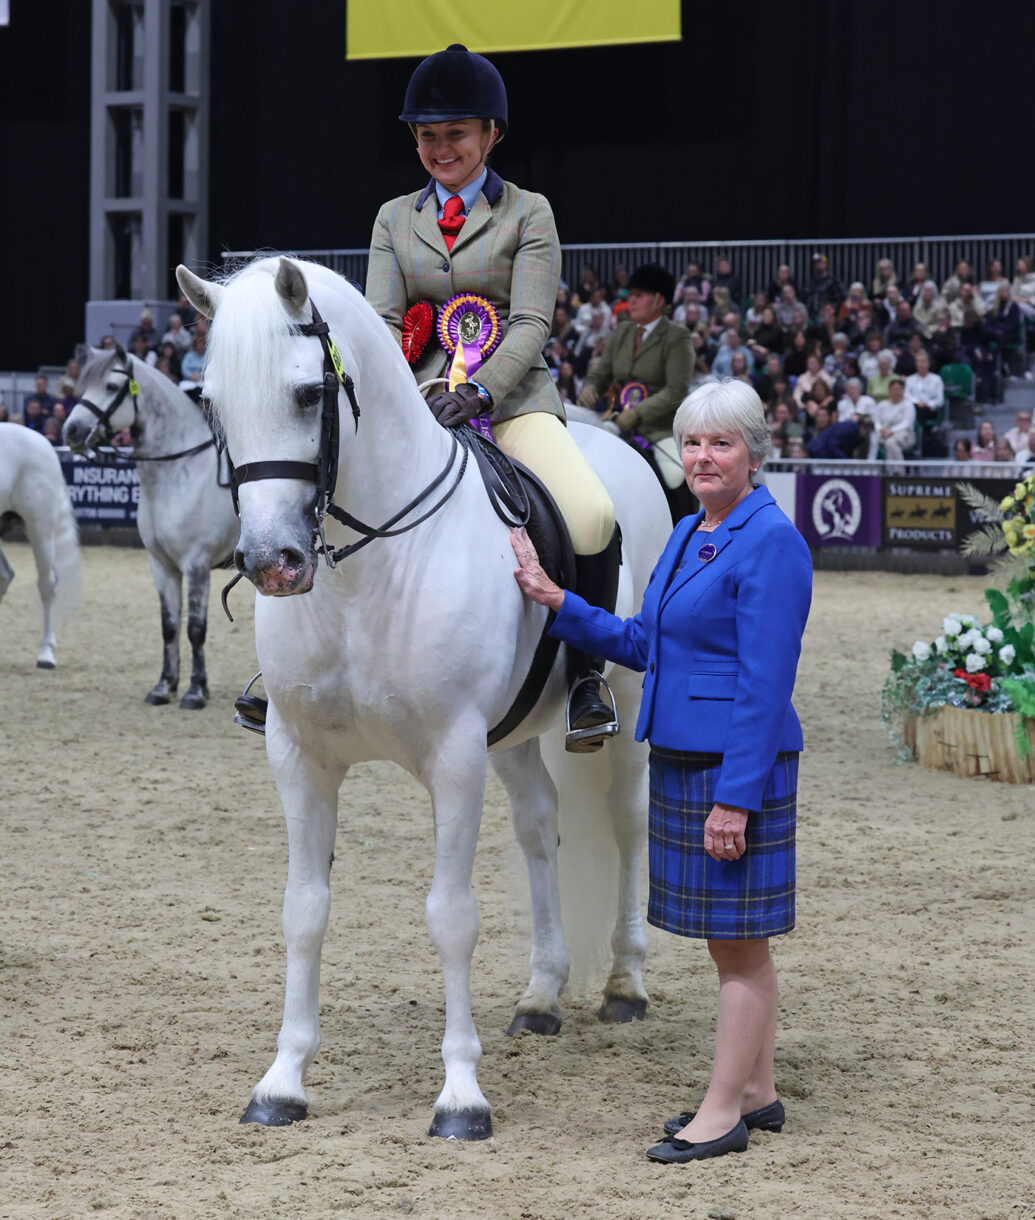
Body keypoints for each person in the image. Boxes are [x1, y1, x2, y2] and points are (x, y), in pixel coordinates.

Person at [510, 379, 812, 1164]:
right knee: (731, 943)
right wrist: (555, 599)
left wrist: (735, 802)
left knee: (738, 947)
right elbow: (645, 643)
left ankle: (720, 1113)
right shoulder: (687, 535)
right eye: (693, 443)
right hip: (682, 757)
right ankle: (757, 1089)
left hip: (731, 769)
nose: (704, 457)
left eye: (722, 443)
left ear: (754, 452)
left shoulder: (771, 541)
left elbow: (764, 683)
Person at [366, 43, 622, 750]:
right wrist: (405, 394)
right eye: (427, 136)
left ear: (490, 135)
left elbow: (533, 321)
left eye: (454, 134)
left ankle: (584, 677)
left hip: (509, 399)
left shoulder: (528, 213)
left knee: (591, 512)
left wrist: (477, 391)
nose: (439, 148)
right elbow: (384, 322)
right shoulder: (392, 219)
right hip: (416, 401)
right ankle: (302, 668)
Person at [577, 263, 695, 522]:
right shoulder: (622, 331)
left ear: (659, 300)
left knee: (676, 475)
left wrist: (638, 413)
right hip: (616, 423)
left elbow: (675, 391)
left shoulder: (677, 337)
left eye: (638, 295)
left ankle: (684, 531)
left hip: (658, 430)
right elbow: (602, 374)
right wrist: (590, 387)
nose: (630, 300)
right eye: (630, 295)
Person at [873, 378, 916, 460]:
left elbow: (906, 423)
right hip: (883, 432)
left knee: (890, 443)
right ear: (889, 390)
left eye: (898, 389)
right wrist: (881, 429)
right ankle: (871, 469)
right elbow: (876, 420)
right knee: (870, 439)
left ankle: (897, 471)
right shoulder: (882, 404)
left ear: (903, 390)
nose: (896, 392)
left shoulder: (908, 405)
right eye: (893, 389)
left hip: (903, 433)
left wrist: (891, 431)